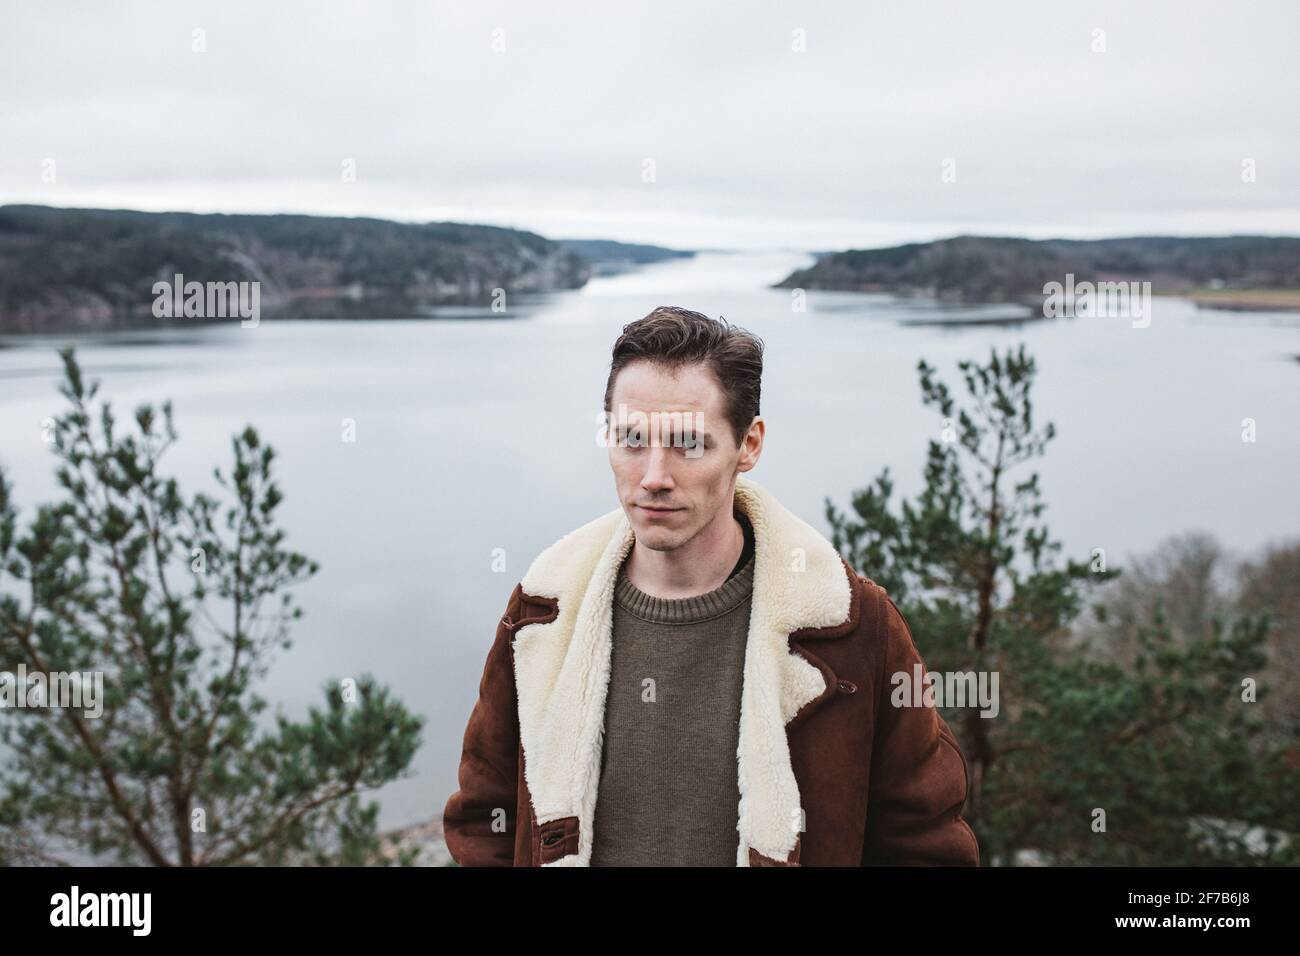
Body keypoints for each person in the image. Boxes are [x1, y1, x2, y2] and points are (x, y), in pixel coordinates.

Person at [443, 305, 979, 866]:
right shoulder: (544, 611)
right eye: (631, 439)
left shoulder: (852, 626)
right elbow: (485, 817)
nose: (654, 477)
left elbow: (925, 843)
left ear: (749, 444)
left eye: (689, 444)